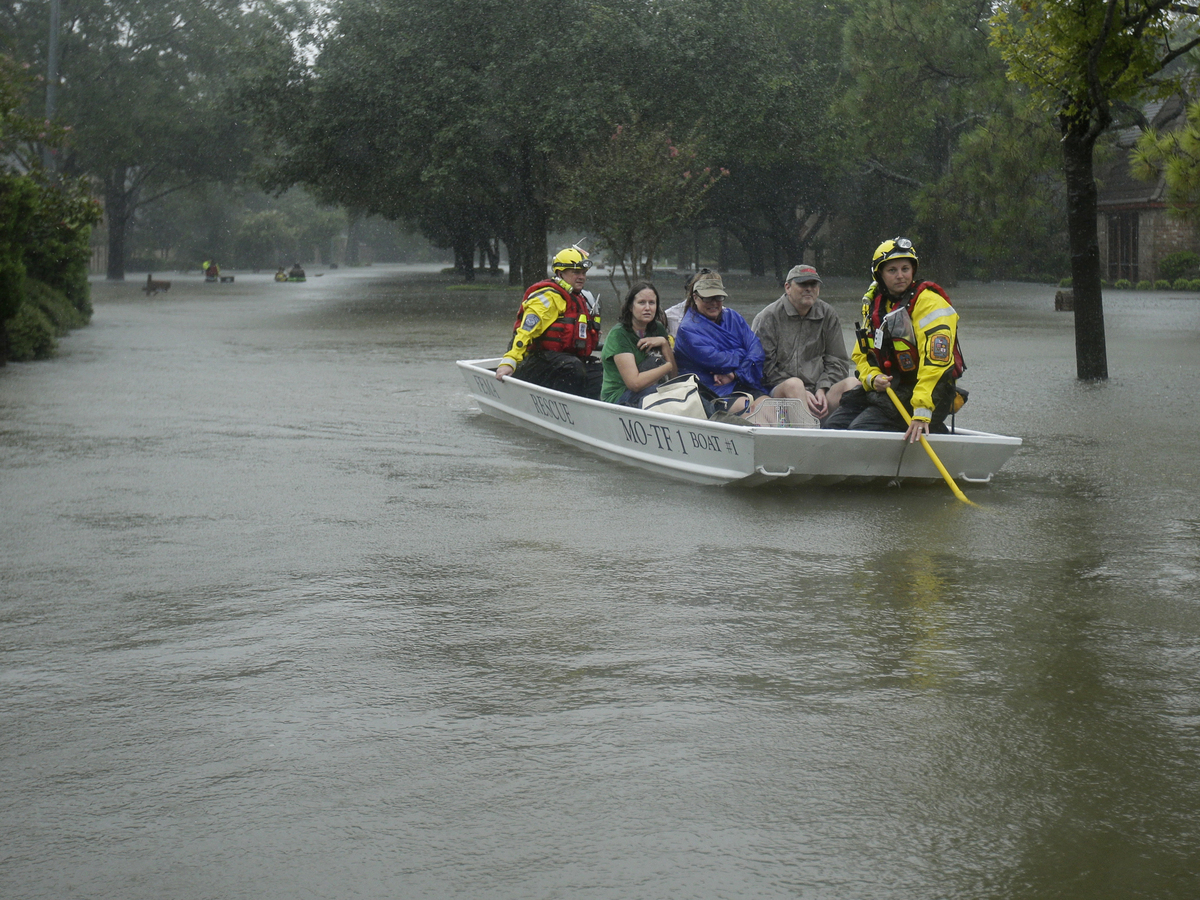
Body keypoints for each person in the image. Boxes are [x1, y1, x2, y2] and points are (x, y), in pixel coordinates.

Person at [824, 237, 965, 442]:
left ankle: (931, 432)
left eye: (905, 269)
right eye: (892, 270)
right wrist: (873, 378)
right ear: (879, 274)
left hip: (929, 392)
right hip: (890, 390)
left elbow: (936, 363)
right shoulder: (876, 306)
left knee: (860, 431)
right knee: (833, 425)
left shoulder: (930, 303)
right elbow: (861, 355)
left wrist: (921, 410)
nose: (900, 276)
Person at [751, 264, 857, 421]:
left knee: (853, 384)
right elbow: (764, 369)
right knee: (795, 385)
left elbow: (838, 362)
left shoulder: (828, 314)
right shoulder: (768, 317)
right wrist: (802, 392)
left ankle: (849, 436)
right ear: (787, 287)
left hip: (820, 392)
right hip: (780, 393)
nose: (809, 289)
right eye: (802, 284)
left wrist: (822, 388)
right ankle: (809, 438)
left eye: (813, 284)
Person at [494, 246, 603, 399]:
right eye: (576, 272)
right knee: (572, 367)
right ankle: (562, 409)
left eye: (583, 273)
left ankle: (591, 411)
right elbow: (525, 333)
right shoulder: (547, 298)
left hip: (565, 362)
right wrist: (509, 361)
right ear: (560, 273)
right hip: (537, 362)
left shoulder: (582, 299)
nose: (581, 277)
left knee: (600, 373)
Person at [673, 271, 771, 404]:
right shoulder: (687, 330)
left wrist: (735, 374)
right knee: (756, 407)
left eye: (718, 297)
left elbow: (757, 350)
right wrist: (743, 351)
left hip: (740, 380)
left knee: (771, 405)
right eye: (708, 298)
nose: (714, 303)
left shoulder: (733, 316)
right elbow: (719, 362)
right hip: (710, 392)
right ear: (695, 298)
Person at [600, 281, 676, 406]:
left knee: (684, 388)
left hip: (650, 390)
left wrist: (664, 343)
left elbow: (673, 377)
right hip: (619, 398)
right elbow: (635, 384)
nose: (647, 308)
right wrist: (667, 366)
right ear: (630, 307)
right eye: (641, 303)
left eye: (652, 303)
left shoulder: (657, 329)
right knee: (666, 394)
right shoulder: (619, 334)